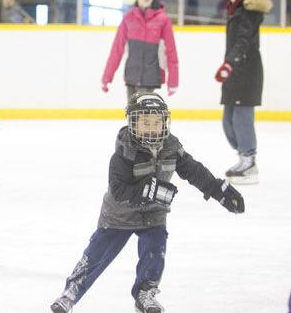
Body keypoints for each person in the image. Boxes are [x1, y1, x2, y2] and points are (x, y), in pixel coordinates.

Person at [49, 92, 245, 313]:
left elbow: (193, 171)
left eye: (156, 122)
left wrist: (218, 190)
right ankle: (71, 292)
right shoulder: (124, 152)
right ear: (133, 123)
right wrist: (150, 191)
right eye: (145, 122)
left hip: (153, 215)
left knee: (155, 251)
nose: (152, 128)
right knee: (96, 255)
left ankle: (145, 292)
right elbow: (118, 189)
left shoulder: (171, 147)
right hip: (119, 216)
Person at [215, 0, 271, 185]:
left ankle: (249, 160)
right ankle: (244, 157)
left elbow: (243, 41)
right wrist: (229, 64)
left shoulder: (247, 11)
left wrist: (229, 63)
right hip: (235, 70)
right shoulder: (235, 9)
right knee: (228, 121)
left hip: (246, 71)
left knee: (241, 118)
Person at [101, 0, 179, 102]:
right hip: (131, 76)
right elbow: (117, 49)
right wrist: (107, 77)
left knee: (141, 111)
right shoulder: (128, 18)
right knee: (133, 112)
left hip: (150, 78)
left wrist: (173, 81)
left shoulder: (163, 20)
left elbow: (171, 51)